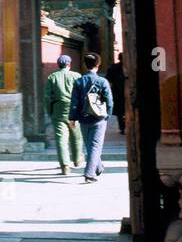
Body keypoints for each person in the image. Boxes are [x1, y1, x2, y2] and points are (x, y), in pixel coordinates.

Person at [68, 52, 113, 183]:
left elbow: (74, 102)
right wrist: (108, 114)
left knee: (90, 145)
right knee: (95, 145)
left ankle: (98, 167)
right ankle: (89, 174)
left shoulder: (79, 81)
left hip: (83, 117)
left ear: (85, 64)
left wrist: (72, 118)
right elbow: (109, 100)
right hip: (98, 118)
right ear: (98, 65)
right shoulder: (102, 81)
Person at [44, 55, 83, 175]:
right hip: (74, 110)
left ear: (58, 64)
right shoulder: (77, 76)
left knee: (61, 139)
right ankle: (77, 159)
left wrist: (49, 110)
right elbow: (82, 94)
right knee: (76, 136)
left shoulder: (52, 77)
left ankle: (65, 165)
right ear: (69, 64)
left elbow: (47, 96)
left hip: (58, 110)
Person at [104, 55, 127, 134]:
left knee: (120, 111)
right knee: (126, 109)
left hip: (117, 92)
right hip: (127, 91)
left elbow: (108, 80)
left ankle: (122, 127)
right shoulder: (129, 67)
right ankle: (125, 126)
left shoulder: (113, 68)